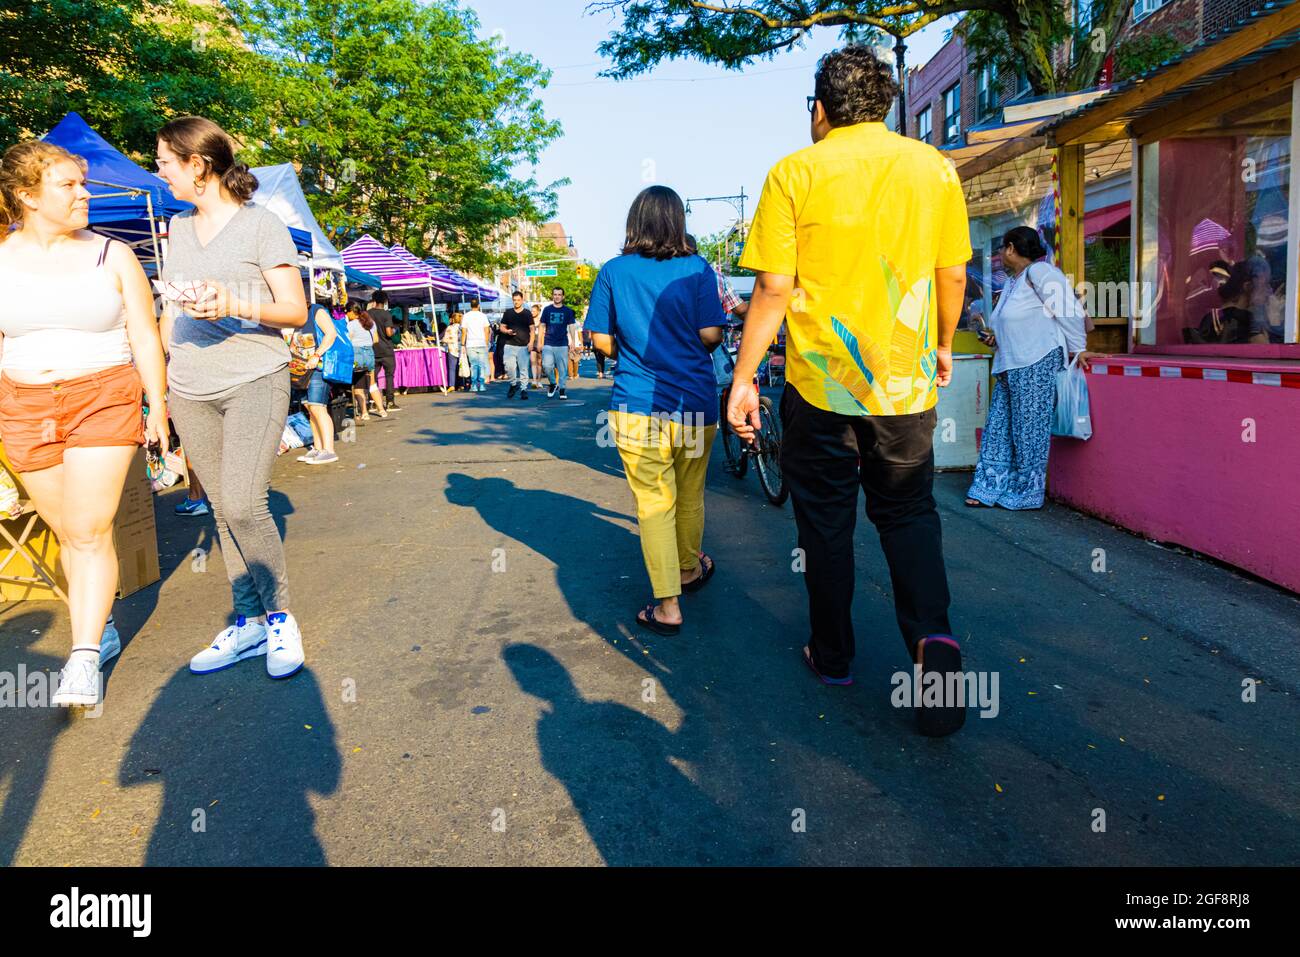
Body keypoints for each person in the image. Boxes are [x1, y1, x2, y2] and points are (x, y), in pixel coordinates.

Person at [728, 47, 971, 736]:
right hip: (905, 387)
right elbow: (952, 274)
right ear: (888, 103)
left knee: (826, 525)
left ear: (821, 108)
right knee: (908, 514)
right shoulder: (934, 170)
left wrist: (744, 380)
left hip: (821, 390)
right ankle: (932, 639)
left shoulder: (794, 173)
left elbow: (773, 288)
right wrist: (945, 343)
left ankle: (833, 655)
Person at [0, 139, 169, 706]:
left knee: (91, 528)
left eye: (83, 182)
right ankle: (99, 624)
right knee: (68, 529)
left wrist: (159, 405)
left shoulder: (112, 254)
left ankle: (83, 656)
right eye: (68, 185)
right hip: (23, 403)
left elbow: (145, 334)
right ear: (26, 195)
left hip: (103, 394)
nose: (84, 194)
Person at [153, 115, 308, 680]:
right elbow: (171, 306)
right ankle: (245, 623)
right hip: (190, 385)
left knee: (244, 504)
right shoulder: (175, 227)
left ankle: (280, 619)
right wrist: (163, 382)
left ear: (198, 165)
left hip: (252, 378)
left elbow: (295, 310)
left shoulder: (261, 225)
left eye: (166, 161)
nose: (159, 170)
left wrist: (232, 303)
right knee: (221, 506)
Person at [585, 185, 725, 636]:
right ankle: (688, 568)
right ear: (679, 221)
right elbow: (711, 334)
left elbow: (601, 341)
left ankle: (668, 605)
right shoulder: (698, 269)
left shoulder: (613, 271)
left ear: (635, 221)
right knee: (689, 494)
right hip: (693, 403)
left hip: (637, 405)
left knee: (653, 502)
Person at [966, 226, 1091, 511]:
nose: (999, 255)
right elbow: (1013, 322)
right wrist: (995, 337)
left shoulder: (1041, 273)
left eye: (1001, 249)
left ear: (1011, 248)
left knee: (1028, 430)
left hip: (1037, 362)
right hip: (1011, 364)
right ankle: (988, 486)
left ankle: (1025, 492)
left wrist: (1079, 347)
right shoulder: (1013, 283)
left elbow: (1068, 309)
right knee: (998, 427)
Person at [292, 300, 340, 465]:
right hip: (299, 369)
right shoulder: (292, 316)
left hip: (318, 367)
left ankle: (329, 450)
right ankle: (319, 448)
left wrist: (317, 354)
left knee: (318, 407)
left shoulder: (316, 311)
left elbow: (331, 333)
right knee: (310, 408)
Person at [346, 303, 386, 420]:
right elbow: (376, 340)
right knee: (372, 383)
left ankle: (364, 412)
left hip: (357, 356)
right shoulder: (370, 323)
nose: (347, 315)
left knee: (358, 385)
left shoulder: (351, 324)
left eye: (347, 313)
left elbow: (349, 340)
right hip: (369, 354)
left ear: (352, 312)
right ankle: (382, 410)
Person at [540, 287, 577, 399]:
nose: (557, 296)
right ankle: (552, 383)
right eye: (555, 294)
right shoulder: (547, 310)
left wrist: (573, 341)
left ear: (563, 297)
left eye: (559, 294)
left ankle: (562, 389)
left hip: (562, 343)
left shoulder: (568, 311)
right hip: (548, 343)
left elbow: (571, 326)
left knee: (562, 369)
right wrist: (539, 342)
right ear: (552, 296)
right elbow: (542, 325)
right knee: (546, 365)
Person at [367, 292, 399, 411]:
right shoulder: (386, 314)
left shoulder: (368, 314)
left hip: (373, 349)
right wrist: (394, 331)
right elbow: (388, 332)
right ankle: (390, 402)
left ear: (373, 300)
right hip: (386, 349)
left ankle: (373, 402)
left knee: (372, 377)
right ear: (385, 301)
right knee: (389, 376)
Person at [500, 290, 535, 400]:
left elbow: (532, 329)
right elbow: (502, 327)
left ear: (522, 300)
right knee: (509, 367)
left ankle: (524, 389)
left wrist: (531, 343)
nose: (516, 302)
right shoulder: (508, 313)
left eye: (518, 300)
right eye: (514, 300)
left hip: (523, 345)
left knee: (524, 369)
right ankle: (514, 384)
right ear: (512, 300)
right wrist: (507, 331)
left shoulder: (527, 313)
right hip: (510, 344)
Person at [460, 298, 491, 392]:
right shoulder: (483, 316)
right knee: (481, 365)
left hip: (470, 344)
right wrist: (486, 342)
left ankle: (473, 385)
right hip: (481, 343)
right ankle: (481, 385)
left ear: (470, 306)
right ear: (478, 305)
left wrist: (462, 344)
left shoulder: (466, 316)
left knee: (473, 365)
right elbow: (487, 330)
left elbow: (464, 332)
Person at [442, 312, 463, 393]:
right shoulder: (462, 328)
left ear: (453, 319)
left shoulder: (450, 328)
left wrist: (443, 341)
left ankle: (452, 385)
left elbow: (445, 339)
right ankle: (461, 384)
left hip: (452, 349)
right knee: (460, 367)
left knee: (452, 368)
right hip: (461, 350)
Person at [529, 304, 544, 389]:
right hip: (532, 342)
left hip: (540, 341)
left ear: (538, 311)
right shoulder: (529, 321)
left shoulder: (542, 321)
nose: (532, 312)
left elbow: (544, 333)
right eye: (531, 311)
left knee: (539, 362)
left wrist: (542, 343)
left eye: (534, 311)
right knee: (533, 361)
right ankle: (534, 380)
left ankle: (539, 381)